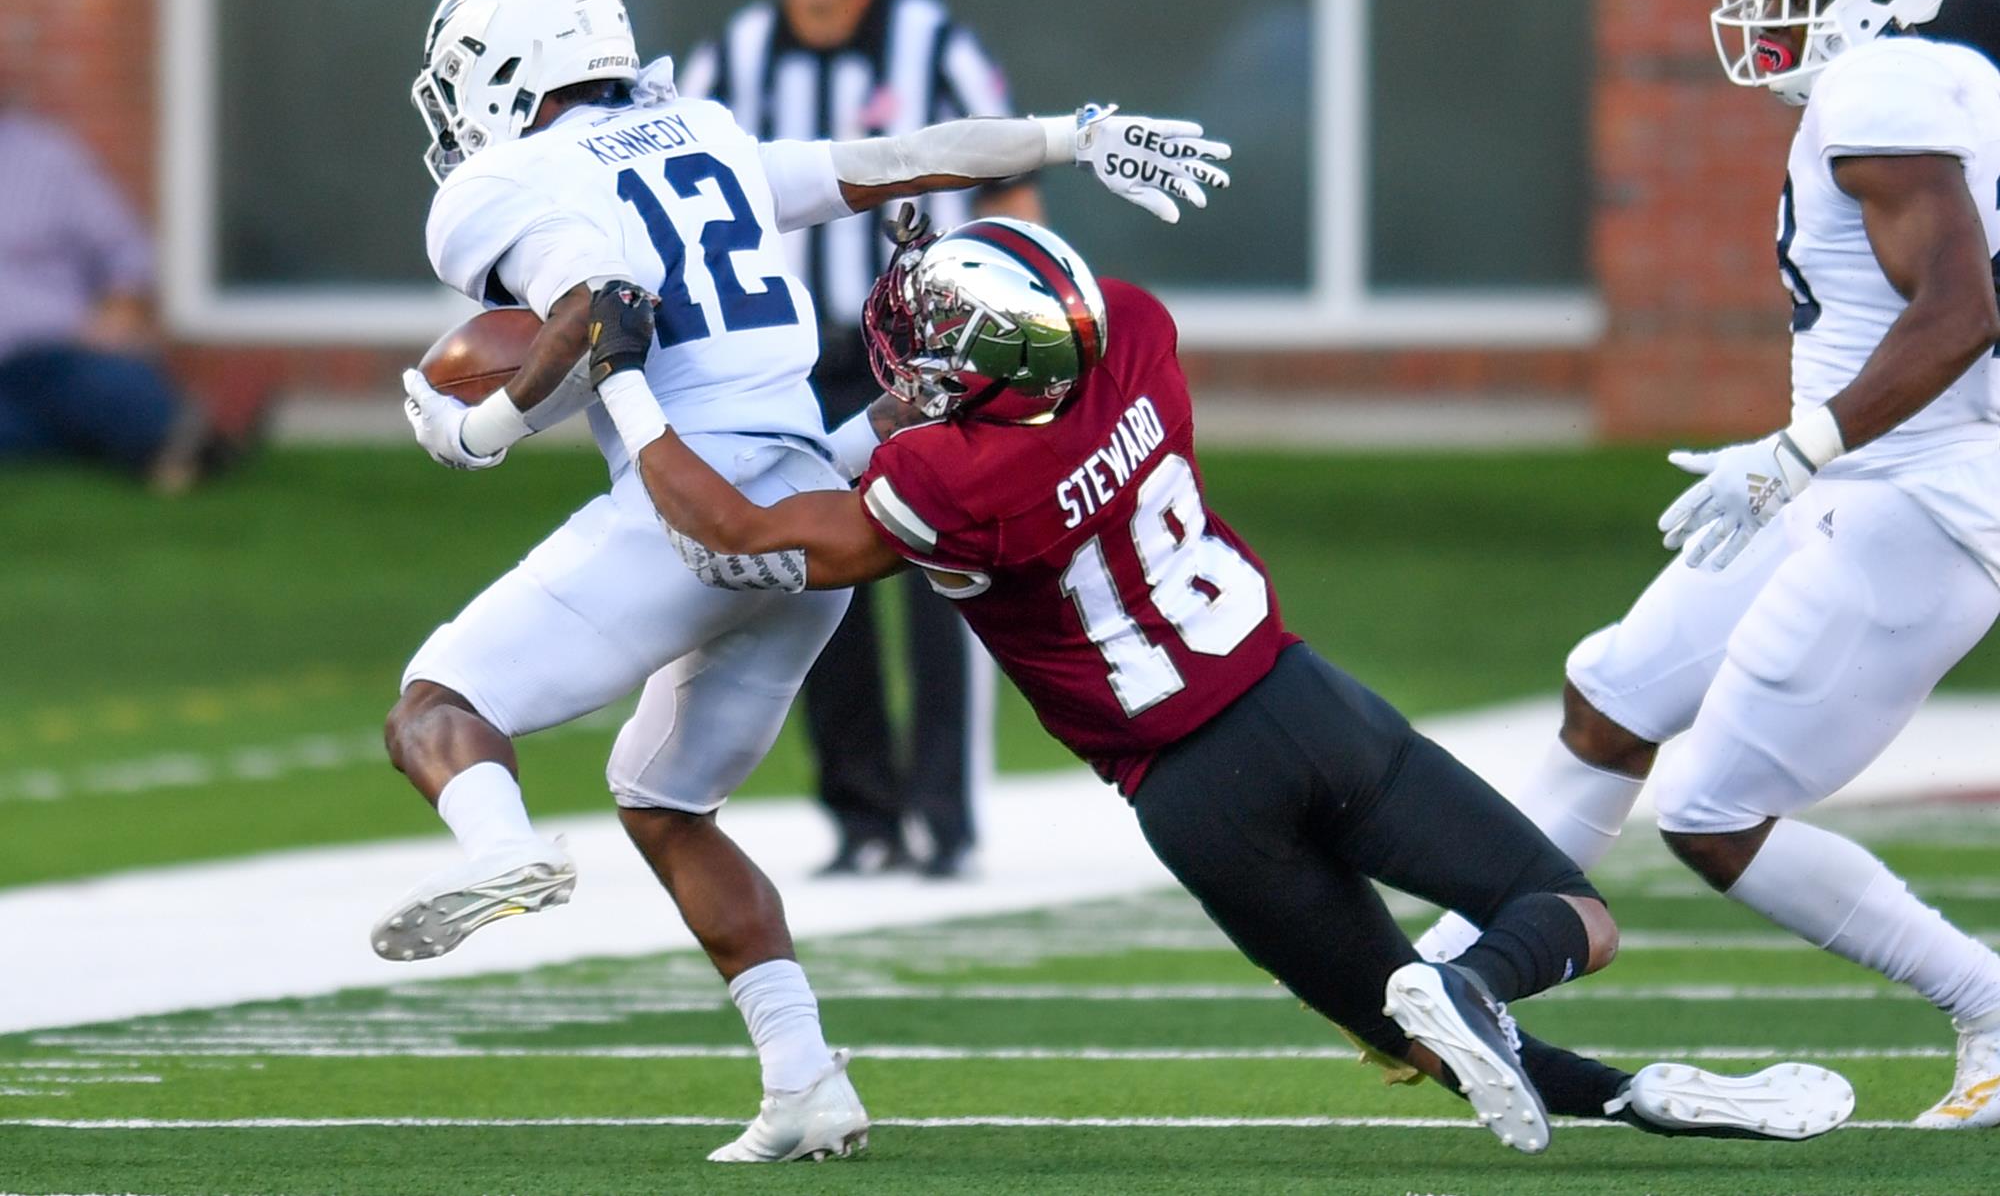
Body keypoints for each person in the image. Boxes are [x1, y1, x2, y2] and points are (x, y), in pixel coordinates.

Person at [579, 209, 1858, 1154]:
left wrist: (627, 385)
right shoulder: (1131, 328)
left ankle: (1552, 1051)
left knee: (1410, 1039)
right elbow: (1036, 332)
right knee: (1570, 916)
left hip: (1187, 792)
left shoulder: (946, 486)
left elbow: (742, 536)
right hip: (1304, 703)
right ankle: (1596, 1063)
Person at [379, 0, 1230, 1163]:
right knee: (668, 803)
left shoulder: (504, 181)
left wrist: (476, 428)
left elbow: (598, 310)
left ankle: (505, 853)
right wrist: (1071, 134)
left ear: (515, 64)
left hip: (696, 511)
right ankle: (804, 1082)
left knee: (434, 707)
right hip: (816, 498)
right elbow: (892, 161)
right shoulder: (708, 130)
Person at [1413, 0, 2000, 1131]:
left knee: (1714, 812)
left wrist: (1800, 446)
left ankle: (1988, 1001)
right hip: (1855, 468)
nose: (1755, 12)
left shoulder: (1881, 84)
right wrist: (1807, 449)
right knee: (1613, 694)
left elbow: (1960, 310)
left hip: (1920, 502)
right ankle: (1453, 971)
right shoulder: (1935, 78)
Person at [678, 0, 1038, 877]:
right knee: (807, 582)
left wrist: (1011, 337)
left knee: (942, 579)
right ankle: (861, 817)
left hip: (930, 366)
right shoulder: (728, 65)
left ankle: (941, 816)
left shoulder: (934, 46)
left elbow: (1009, 192)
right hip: (786, 366)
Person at [0, 104, 248, 491]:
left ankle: (175, 447)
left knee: (106, 381)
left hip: (51, 353)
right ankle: (160, 436)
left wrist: (120, 308)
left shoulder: (47, 157)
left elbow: (128, 250)